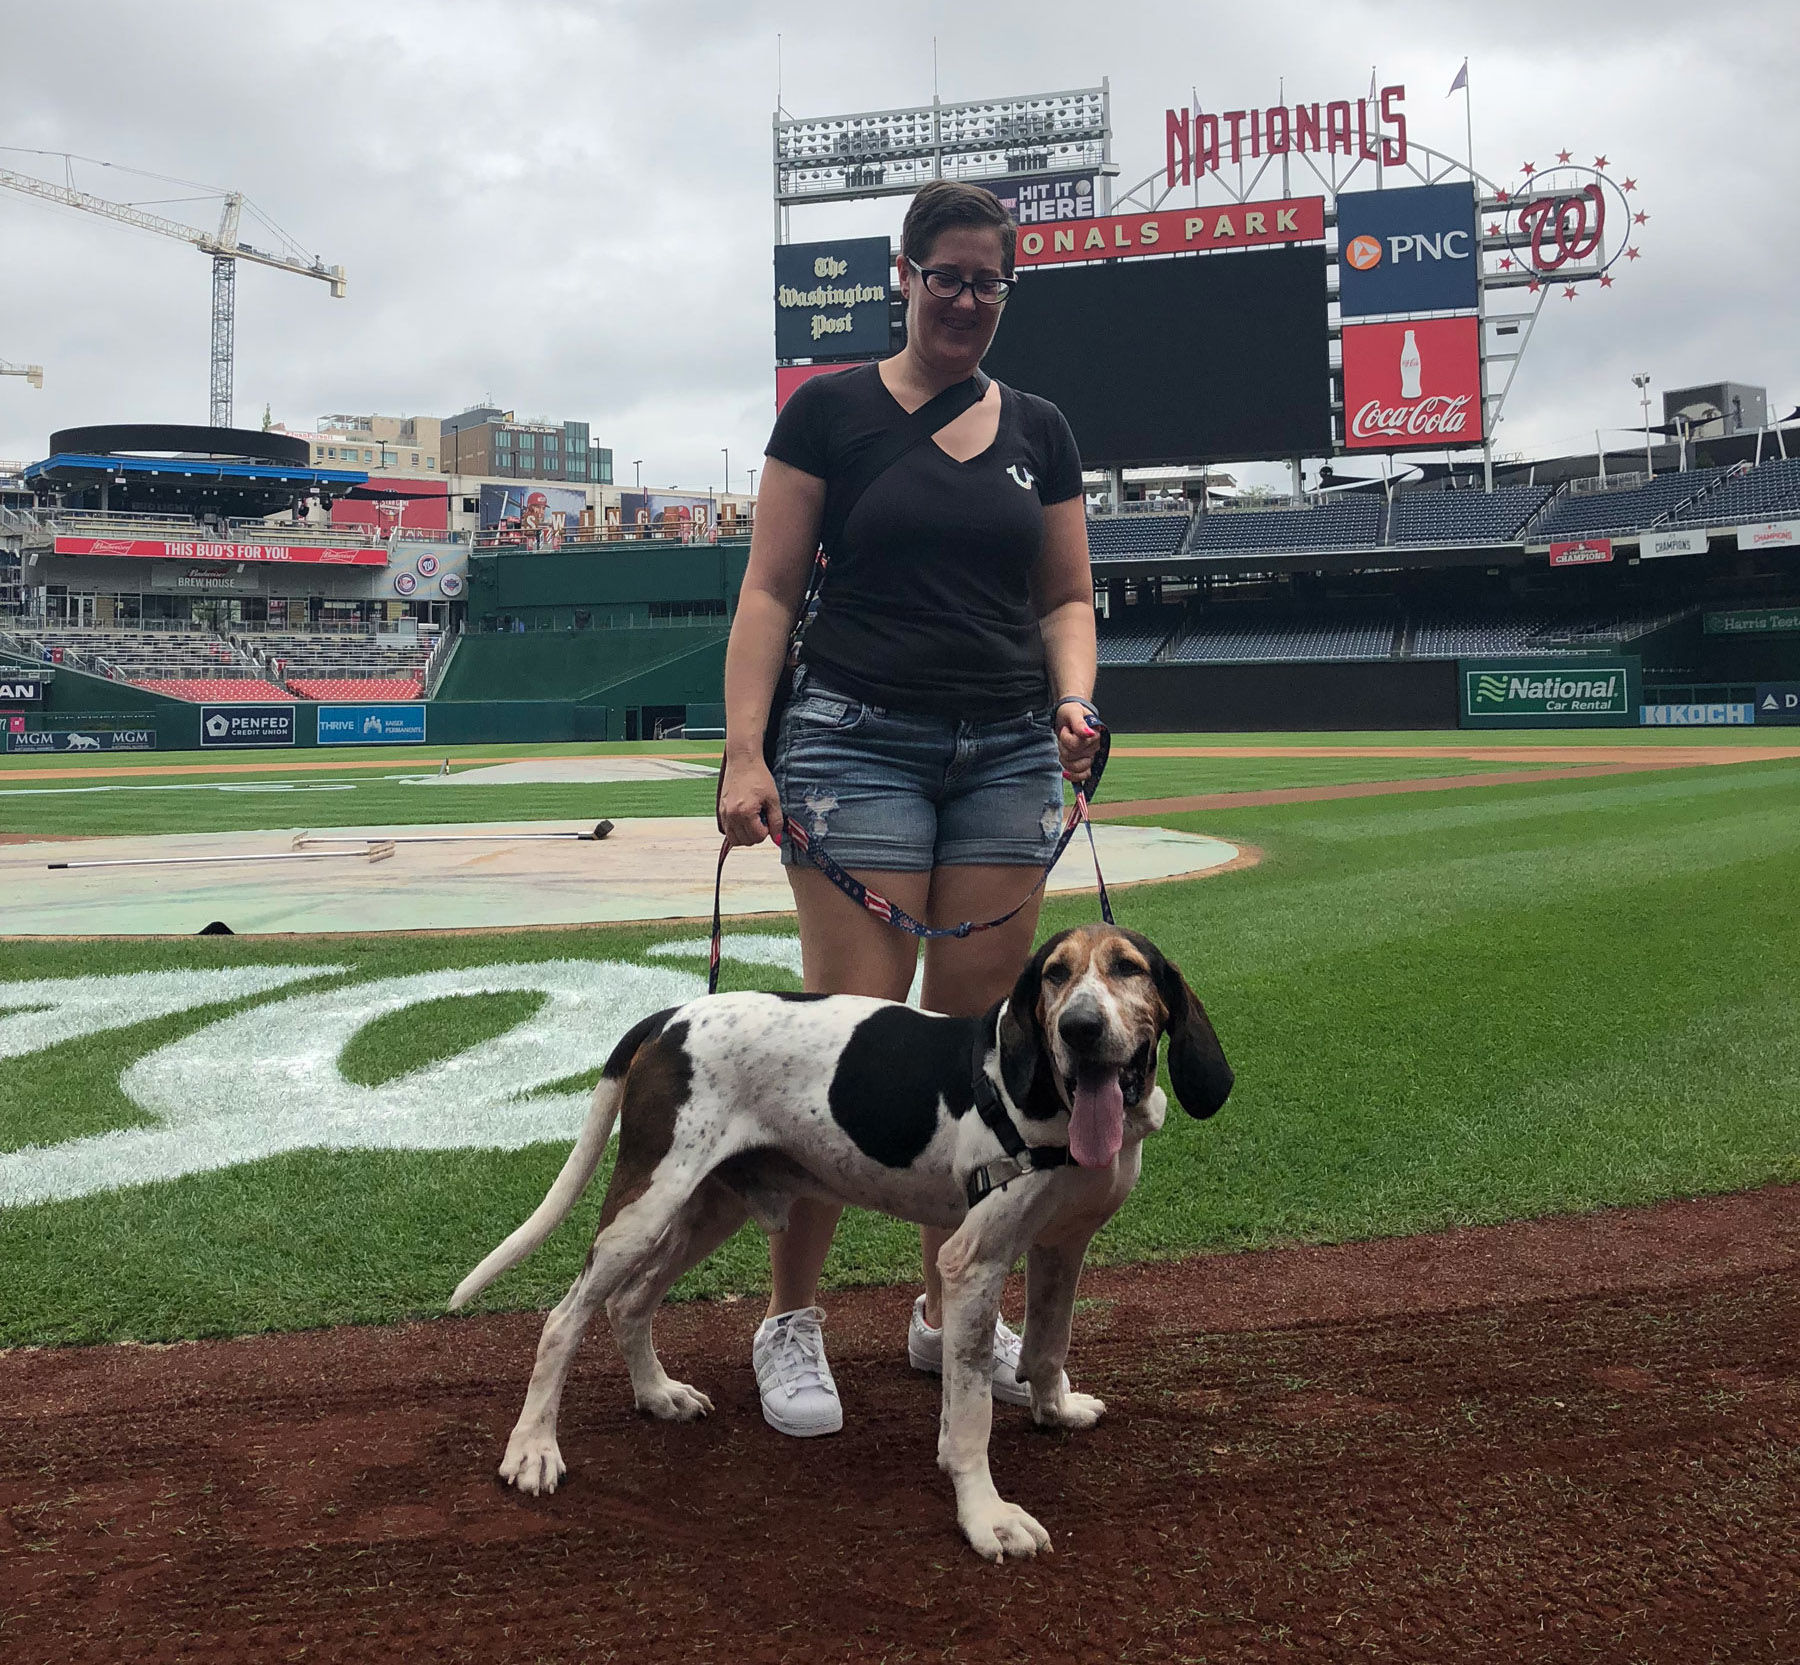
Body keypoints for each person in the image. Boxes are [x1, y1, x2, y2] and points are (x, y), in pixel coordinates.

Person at [717, 179, 1101, 1437]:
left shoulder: (1040, 426)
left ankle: (955, 1316)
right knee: (848, 1044)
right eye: (947, 275)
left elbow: (1064, 599)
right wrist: (743, 752)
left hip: (1002, 755)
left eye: (989, 281)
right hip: (852, 745)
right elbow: (771, 592)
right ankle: (791, 1322)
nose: (967, 301)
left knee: (994, 1052)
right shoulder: (828, 412)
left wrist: (1076, 702)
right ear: (904, 273)